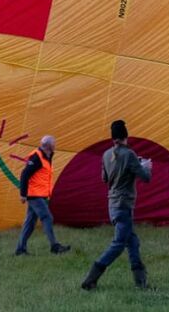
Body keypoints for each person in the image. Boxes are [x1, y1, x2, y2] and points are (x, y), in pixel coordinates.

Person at [81, 120, 152, 291]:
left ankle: (141, 283)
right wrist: (146, 167)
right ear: (126, 136)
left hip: (112, 204)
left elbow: (104, 179)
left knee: (132, 242)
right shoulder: (130, 155)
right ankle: (91, 279)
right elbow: (146, 177)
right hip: (124, 204)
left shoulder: (106, 155)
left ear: (113, 138)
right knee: (119, 243)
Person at [14, 135, 71, 256]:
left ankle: (20, 249)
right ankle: (54, 246)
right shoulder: (37, 157)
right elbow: (25, 174)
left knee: (30, 223)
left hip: (39, 194)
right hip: (34, 195)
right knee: (47, 217)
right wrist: (23, 194)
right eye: (54, 143)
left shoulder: (47, 156)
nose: (55, 145)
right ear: (49, 146)